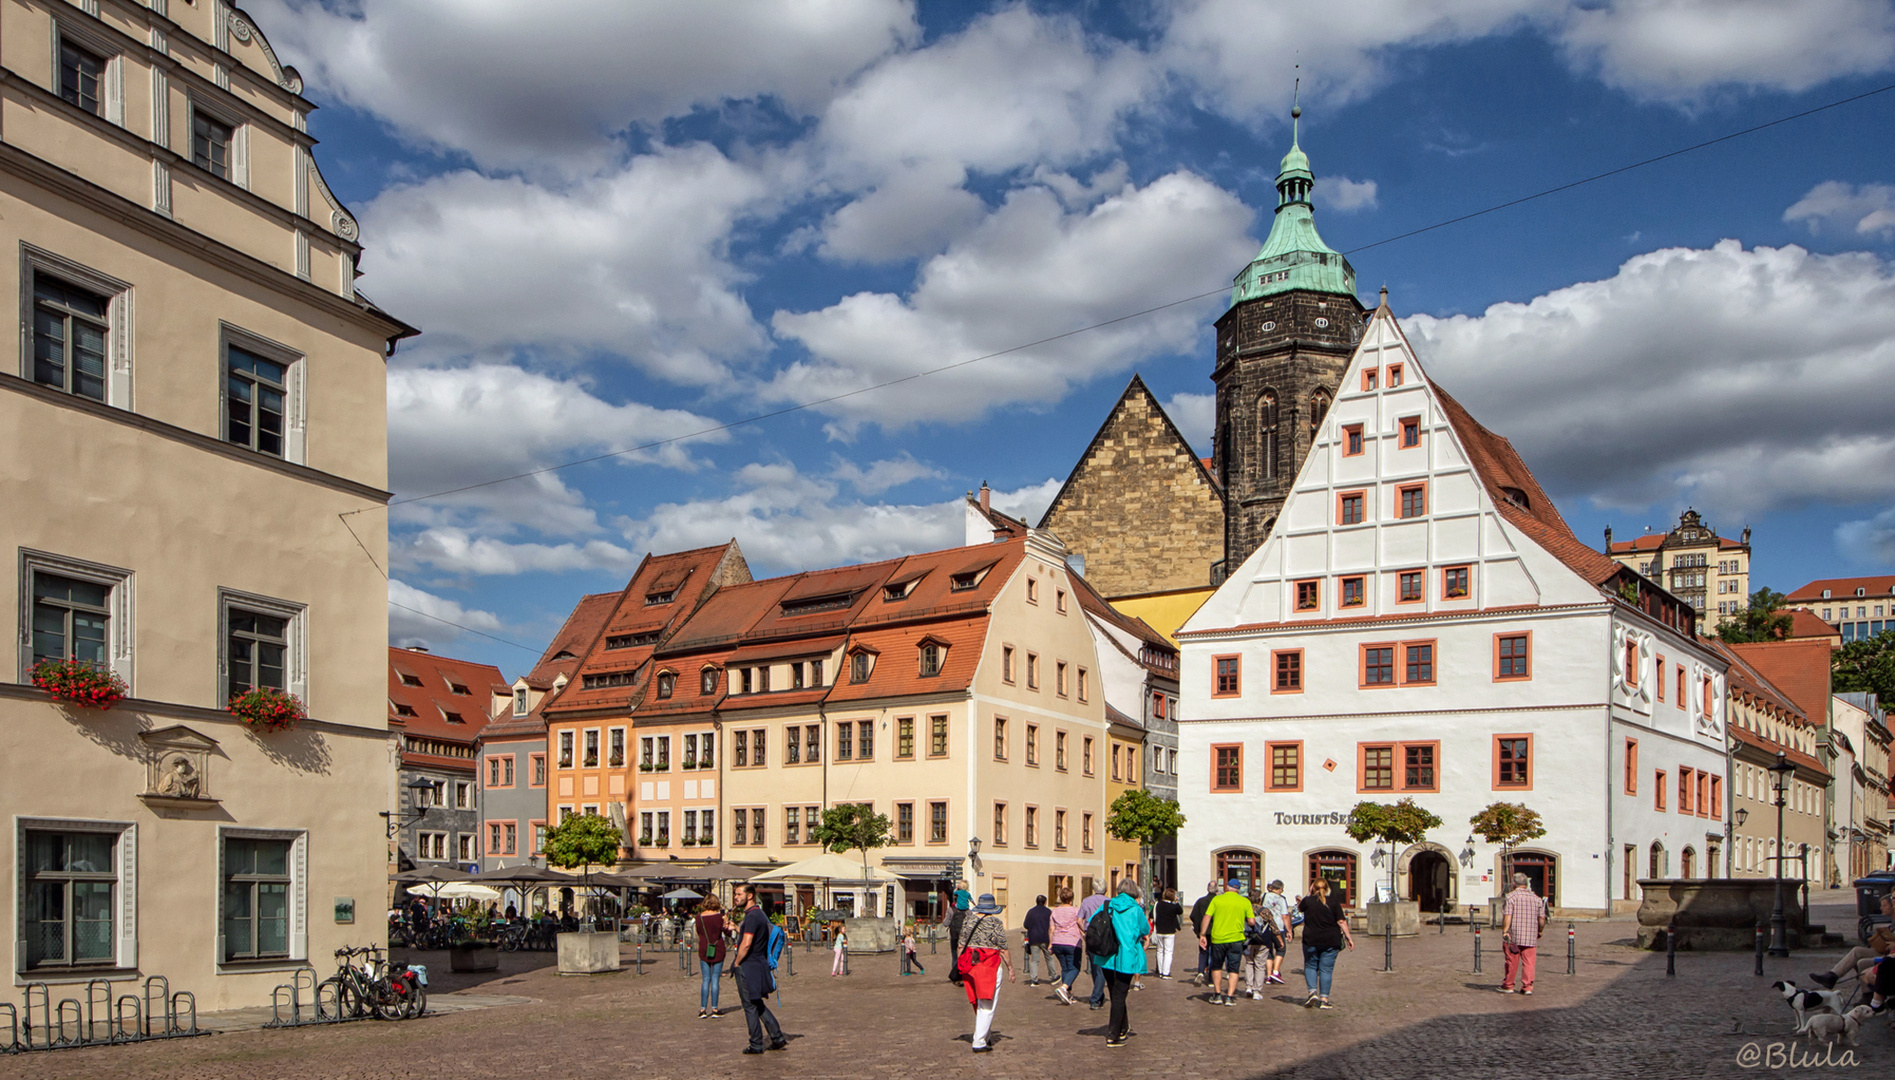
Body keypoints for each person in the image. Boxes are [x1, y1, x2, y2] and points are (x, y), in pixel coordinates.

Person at [730, 883, 786, 1054]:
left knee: (750, 1005)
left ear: (750, 896)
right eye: (735, 894)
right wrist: (737, 929)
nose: (735, 897)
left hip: (749, 965)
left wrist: (737, 962)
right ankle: (777, 1037)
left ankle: (756, 1043)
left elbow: (747, 944)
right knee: (756, 1002)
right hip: (757, 964)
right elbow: (751, 938)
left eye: (739, 894)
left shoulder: (753, 916)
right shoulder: (757, 915)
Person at [960, 893, 1014, 1053]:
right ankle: (979, 1040)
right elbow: (1003, 948)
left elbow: (961, 944)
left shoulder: (968, 920)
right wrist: (1010, 967)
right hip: (988, 965)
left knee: (978, 1001)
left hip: (970, 964)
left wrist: (960, 963)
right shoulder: (995, 923)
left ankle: (986, 1034)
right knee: (987, 1004)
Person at [1099, 879, 1150, 1048]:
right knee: (1120, 995)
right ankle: (1113, 1035)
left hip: (1107, 955)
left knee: (1116, 994)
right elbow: (1145, 929)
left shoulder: (1108, 905)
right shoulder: (1135, 909)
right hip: (1126, 955)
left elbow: (1093, 922)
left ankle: (1122, 1027)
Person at [1812, 893, 1895, 988]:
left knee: (1861, 962)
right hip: (1887, 950)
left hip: (1890, 954)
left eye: (1884, 905)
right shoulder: (1893, 921)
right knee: (1857, 950)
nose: (1881, 908)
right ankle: (1832, 976)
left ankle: (1867, 995)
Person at [1298, 877, 1353, 1008]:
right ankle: (1324, 1000)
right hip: (1330, 940)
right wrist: (1349, 938)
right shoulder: (1333, 902)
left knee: (1310, 966)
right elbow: (1341, 921)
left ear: (1313, 888)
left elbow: (1300, 908)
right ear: (1327, 888)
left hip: (1310, 940)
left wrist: (1309, 892)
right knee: (1326, 970)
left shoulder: (1308, 901)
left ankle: (1312, 992)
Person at [1199, 878, 1255, 1006]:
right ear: (1238, 889)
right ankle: (1229, 997)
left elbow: (1207, 917)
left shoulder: (1217, 899)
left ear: (1227, 887)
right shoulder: (1244, 901)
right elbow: (1252, 921)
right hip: (1236, 939)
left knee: (1217, 966)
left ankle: (1217, 994)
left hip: (1218, 938)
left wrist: (1202, 934)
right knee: (1233, 969)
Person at [1499, 872, 1548, 996]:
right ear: (1526, 883)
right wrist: (1540, 931)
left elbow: (1507, 916)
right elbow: (1542, 919)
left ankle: (1509, 985)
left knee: (1511, 961)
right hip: (1530, 936)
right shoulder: (1536, 899)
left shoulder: (1511, 897)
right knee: (1529, 962)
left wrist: (1505, 931)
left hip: (1514, 935)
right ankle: (1527, 987)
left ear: (1514, 883)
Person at [1048, 887, 1084, 1004]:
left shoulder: (1055, 911)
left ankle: (1067, 995)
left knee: (1065, 968)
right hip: (1072, 942)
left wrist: (1050, 943)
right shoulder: (1076, 911)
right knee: (1075, 968)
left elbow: (1051, 929)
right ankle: (1063, 988)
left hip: (1058, 941)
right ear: (1071, 899)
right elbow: (1080, 923)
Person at [694, 895, 729, 1019]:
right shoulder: (720, 917)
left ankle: (703, 1009)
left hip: (704, 948)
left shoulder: (699, 917)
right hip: (718, 948)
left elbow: (699, 932)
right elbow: (727, 932)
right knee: (715, 978)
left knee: (705, 979)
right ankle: (714, 1008)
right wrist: (726, 921)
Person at [1078, 885, 1109, 1009]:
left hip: (1091, 936)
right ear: (1105, 889)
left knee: (1095, 967)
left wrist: (1084, 933)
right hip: (1104, 937)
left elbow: (1079, 920)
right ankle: (1095, 998)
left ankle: (1099, 995)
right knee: (1101, 968)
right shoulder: (1109, 902)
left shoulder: (1086, 901)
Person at [1260, 880, 1293, 987]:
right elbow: (1285, 916)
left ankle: (1268, 976)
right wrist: (1289, 930)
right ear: (1279, 889)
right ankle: (1275, 972)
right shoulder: (1281, 899)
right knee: (1281, 948)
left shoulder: (1265, 897)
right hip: (1278, 926)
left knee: (1268, 950)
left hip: (1266, 927)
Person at [1189, 881, 1220, 985]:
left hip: (1204, 931)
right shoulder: (1219, 901)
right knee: (1214, 954)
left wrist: (1198, 929)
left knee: (1203, 952)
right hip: (1216, 931)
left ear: (1207, 889)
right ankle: (1211, 979)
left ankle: (1201, 971)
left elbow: (1193, 916)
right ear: (1217, 889)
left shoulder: (1200, 901)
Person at [1152, 888, 1184, 979]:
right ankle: (1166, 972)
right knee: (1168, 952)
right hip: (1169, 932)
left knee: (1160, 951)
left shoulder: (1158, 905)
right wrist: (1177, 902)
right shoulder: (1173, 907)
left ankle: (1161, 971)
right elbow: (1180, 911)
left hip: (1159, 930)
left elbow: (1152, 915)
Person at [1022, 895, 1053, 986]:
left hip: (1034, 938)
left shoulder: (1031, 912)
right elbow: (1052, 925)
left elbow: (1026, 924)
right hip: (1045, 938)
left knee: (1034, 960)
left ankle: (1034, 979)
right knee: (1049, 958)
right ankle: (1053, 976)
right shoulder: (1048, 912)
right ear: (1045, 902)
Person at [948, 879, 974, 956]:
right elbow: (971, 899)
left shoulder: (958, 892)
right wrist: (975, 904)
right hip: (966, 907)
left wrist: (956, 887)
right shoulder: (967, 893)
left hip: (959, 907)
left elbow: (954, 892)